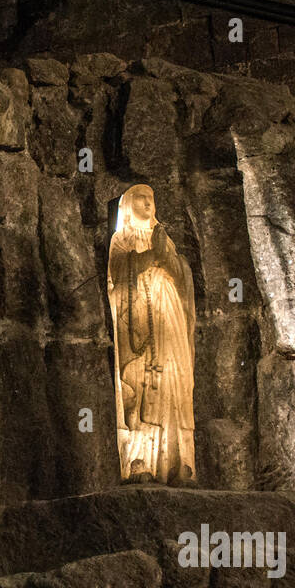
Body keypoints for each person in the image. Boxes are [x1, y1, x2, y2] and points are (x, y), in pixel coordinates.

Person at [108, 184, 196, 485]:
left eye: (151, 199)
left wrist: (167, 257)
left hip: (169, 313)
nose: (147, 203)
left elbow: (181, 275)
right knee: (142, 385)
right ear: (128, 205)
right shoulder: (121, 239)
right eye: (140, 198)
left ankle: (179, 462)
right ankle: (140, 460)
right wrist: (150, 256)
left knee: (173, 383)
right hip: (138, 319)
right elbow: (117, 271)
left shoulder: (164, 238)